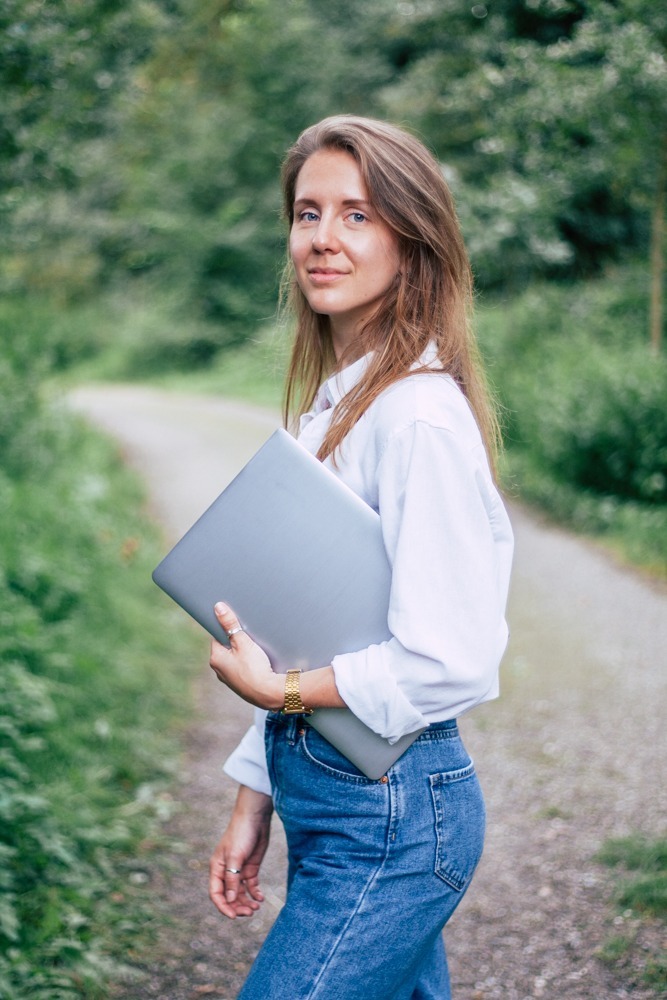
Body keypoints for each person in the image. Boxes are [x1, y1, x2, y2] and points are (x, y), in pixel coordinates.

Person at [206, 115, 514, 1000]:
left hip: (397, 818)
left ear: (411, 242)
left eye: (357, 216)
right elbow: (310, 629)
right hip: (336, 805)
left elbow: (450, 655)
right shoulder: (331, 413)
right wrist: (252, 797)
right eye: (308, 214)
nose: (323, 240)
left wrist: (284, 694)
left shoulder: (415, 419)